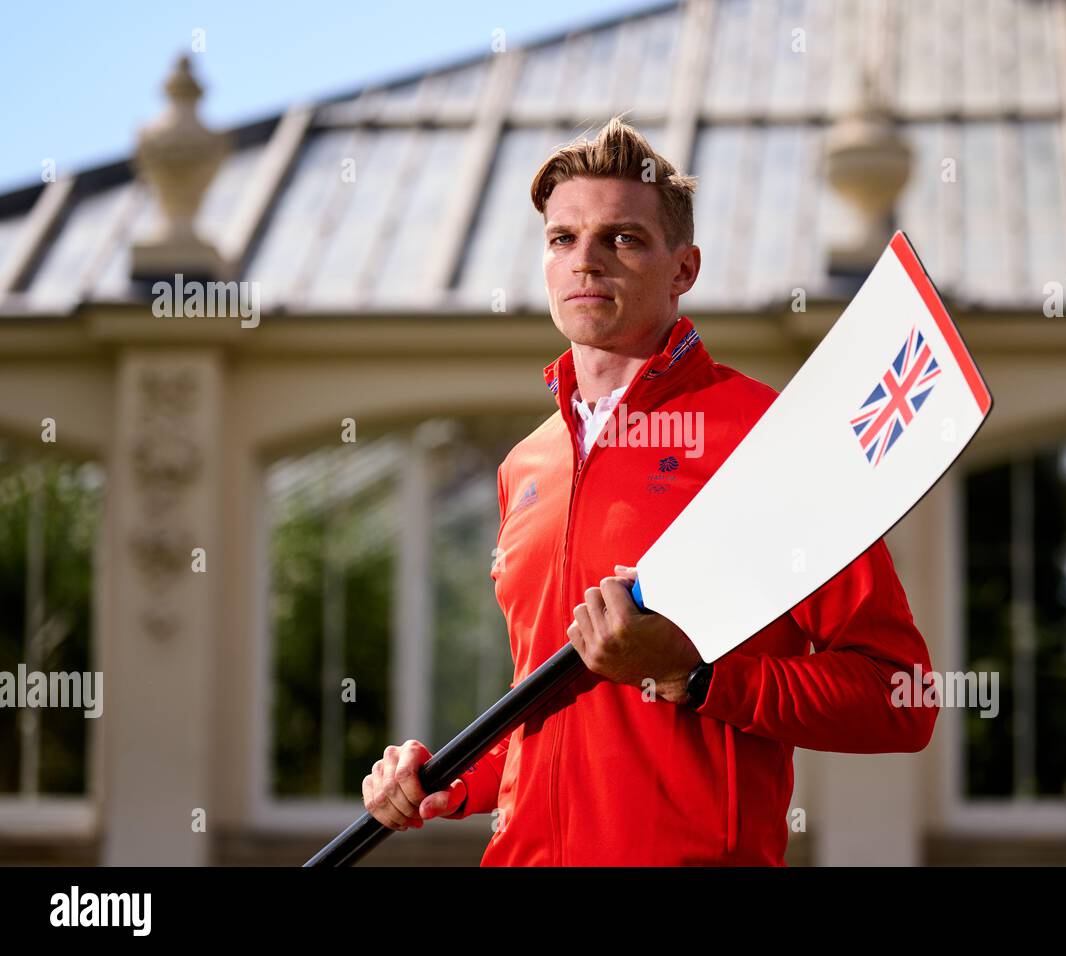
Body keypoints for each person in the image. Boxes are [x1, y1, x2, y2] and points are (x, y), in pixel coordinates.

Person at [362, 116, 937, 865]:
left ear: (683, 268)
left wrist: (695, 674)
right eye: (562, 239)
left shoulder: (767, 438)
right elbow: (563, 721)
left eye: (622, 239)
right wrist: (444, 778)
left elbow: (902, 699)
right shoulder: (526, 466)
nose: (586, 262)